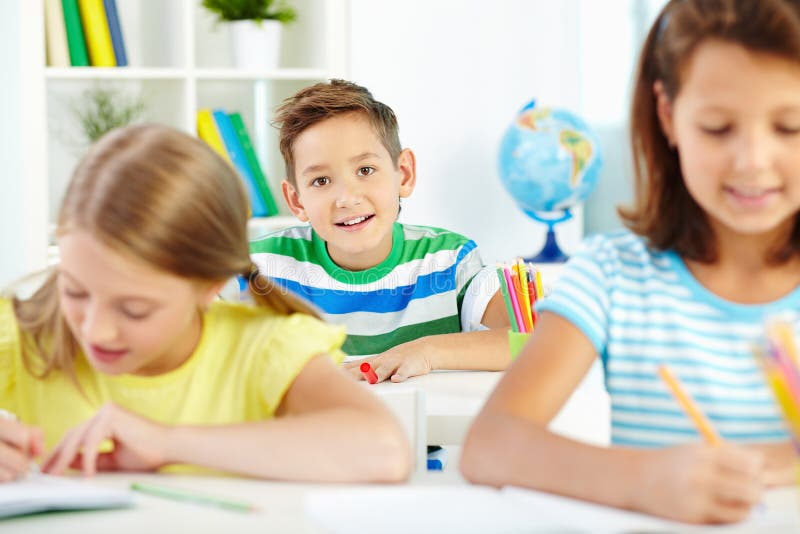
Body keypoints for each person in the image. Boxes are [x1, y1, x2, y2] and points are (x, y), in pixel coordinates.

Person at [461, 0, 800, 525]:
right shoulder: (614, 273)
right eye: (716, 127)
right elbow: (489, 445)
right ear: (668, 116)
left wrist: (770, 466)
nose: (752, 160)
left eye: (790, 127)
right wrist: (642, 480)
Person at [0, 124, 411, 483]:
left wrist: (165, 443)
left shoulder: (264, 347)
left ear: (211, 284)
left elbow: (384, 450)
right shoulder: (21, 335)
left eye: (134, 309)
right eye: (73, 291)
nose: (94, 330)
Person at [250, 79, 509, 383]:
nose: (347, 198)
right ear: (296, 200)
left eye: (365, 170)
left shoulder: (450, 261)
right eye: (321, 181)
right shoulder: (260, 267)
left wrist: (427, 351)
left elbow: (528, 340)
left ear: (405, 174)